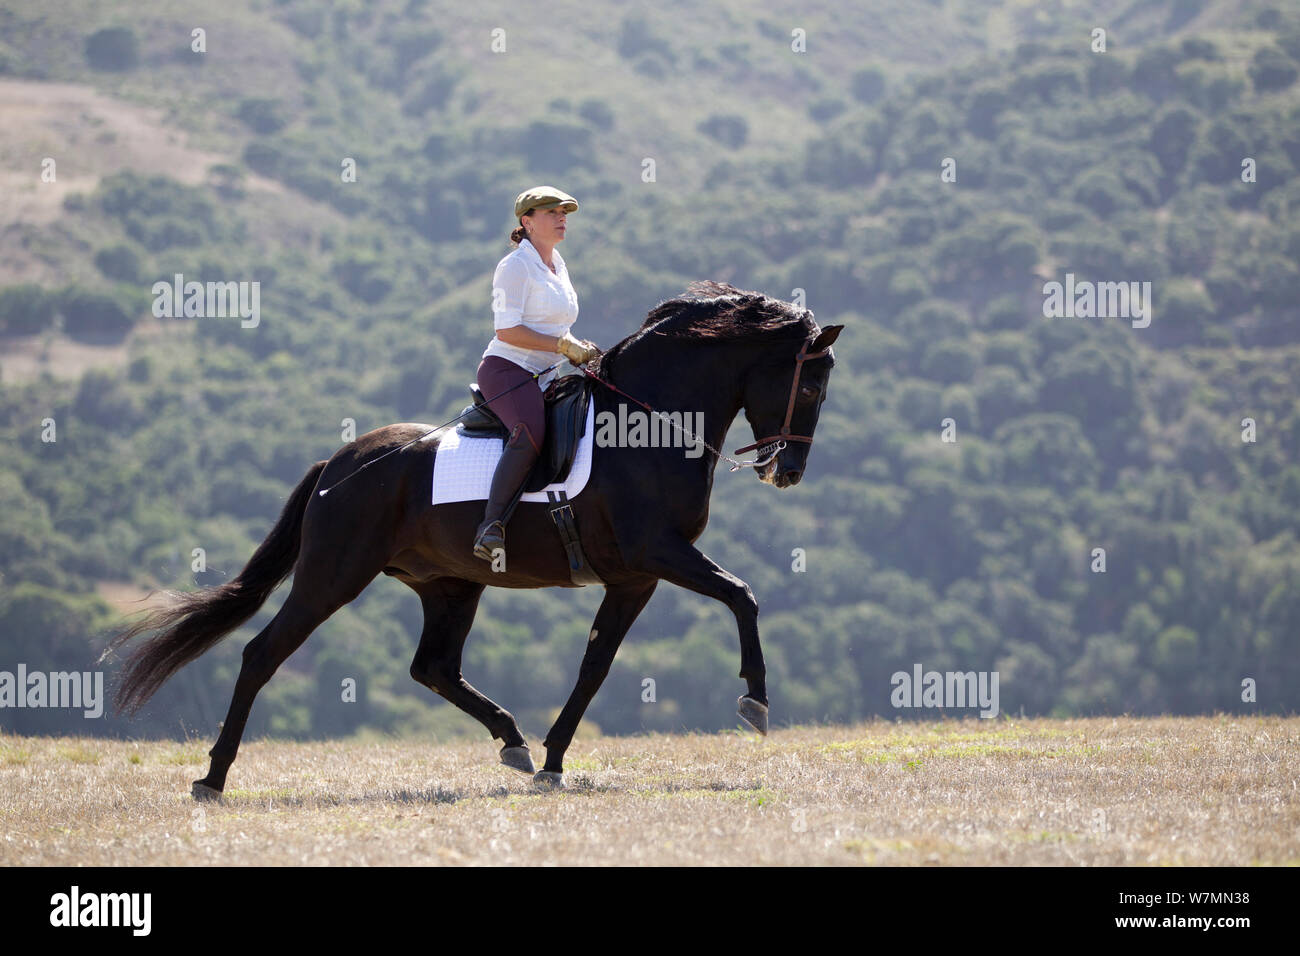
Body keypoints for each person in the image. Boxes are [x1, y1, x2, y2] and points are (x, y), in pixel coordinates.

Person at [472, 186, 600, 561]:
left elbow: (558, 325)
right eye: (551, 212)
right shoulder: (514, 266)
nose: (562, 218)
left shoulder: (558, 264)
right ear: (527, 222)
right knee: (531, 431)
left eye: (564, 212)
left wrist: (580, 349)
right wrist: (563, 346)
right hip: (507, 370)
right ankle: (491, 525)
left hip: (546, 373)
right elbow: (507, 331)